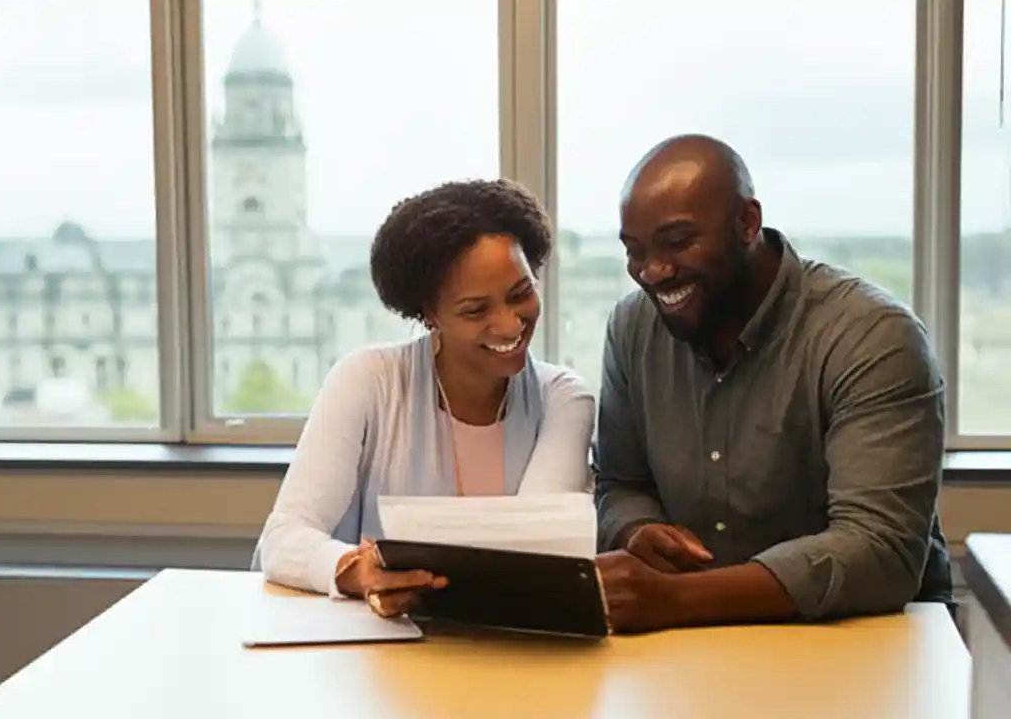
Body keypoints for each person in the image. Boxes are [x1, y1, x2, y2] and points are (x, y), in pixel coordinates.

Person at [592, 134, 953, 633]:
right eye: (635, 251)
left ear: (747, 223)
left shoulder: (872, 337)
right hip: (690, 646)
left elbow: (879, 551)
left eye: (678, 243)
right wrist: (636, 530)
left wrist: (676, 598)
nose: (652, 271)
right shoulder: (632, 328)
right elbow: (620, 484)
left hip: (867, 640)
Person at [253, 179, 596, 616]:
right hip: (376, 659)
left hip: (509, 652)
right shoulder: (366, 380)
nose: (510, 325)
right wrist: (355, 570)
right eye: (475, 310)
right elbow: (283, 540)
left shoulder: (564, 400)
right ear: (429, 313)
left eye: (521, 294)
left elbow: (532, 555)